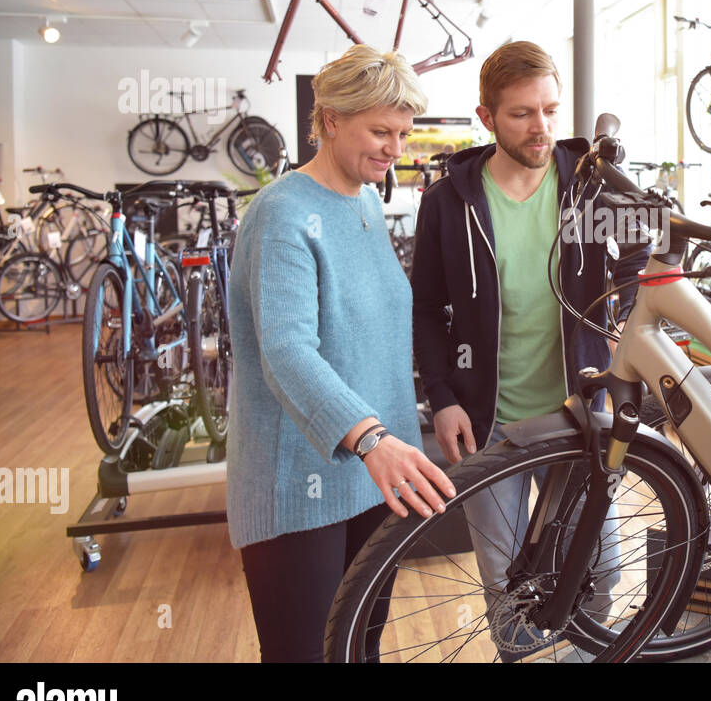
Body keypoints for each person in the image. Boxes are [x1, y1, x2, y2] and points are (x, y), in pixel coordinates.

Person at [409, 40, 646, 654]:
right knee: (509, 587)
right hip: (487, 426)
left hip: (579, 416)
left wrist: (626, 298)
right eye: (521, 113)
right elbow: (428, 311)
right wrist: (440, 398)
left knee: (601, 569)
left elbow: (645, 253)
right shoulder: (448, 204)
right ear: (486, 117)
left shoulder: (589, 188)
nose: (540, 127)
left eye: (549, 109)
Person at [227, 43, 455, 663]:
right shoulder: (282, 213)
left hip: (370, 476)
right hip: (299, 484)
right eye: (380, 131)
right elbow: (287, 351)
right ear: (330, 119)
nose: (395, 149)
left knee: (361, 648)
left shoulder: (362, 202)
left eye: (402, 133)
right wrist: (372, 439)